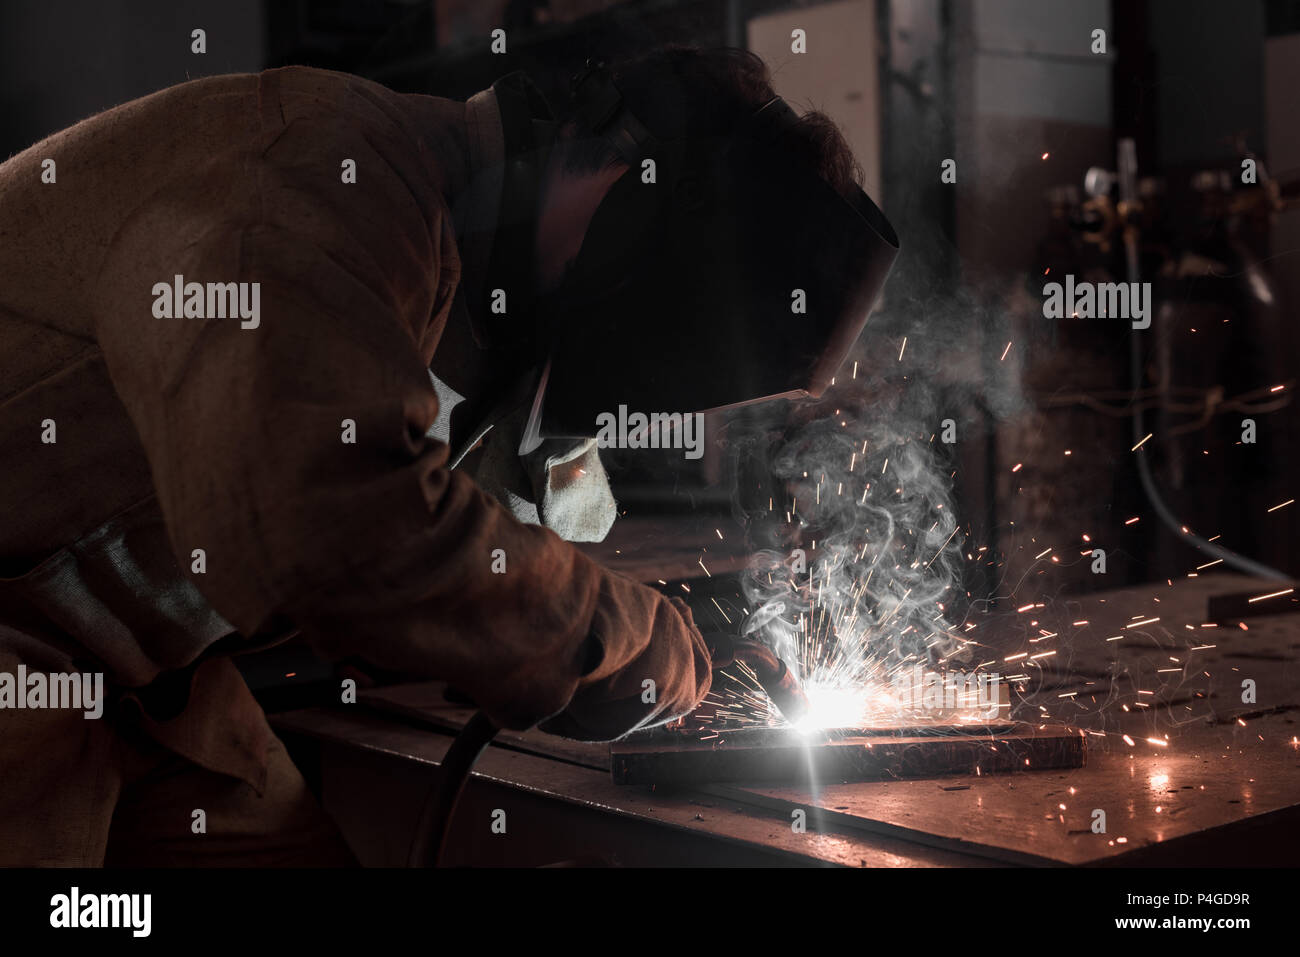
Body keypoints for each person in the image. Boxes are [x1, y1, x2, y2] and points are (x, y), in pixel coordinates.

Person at [0, 46, 895, 865]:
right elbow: (323, 523)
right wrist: (613, 636)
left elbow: (482, 550)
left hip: (136, 685)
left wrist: (656, 631)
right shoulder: (323, 181)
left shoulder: (479, 312)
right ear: (628, 191)